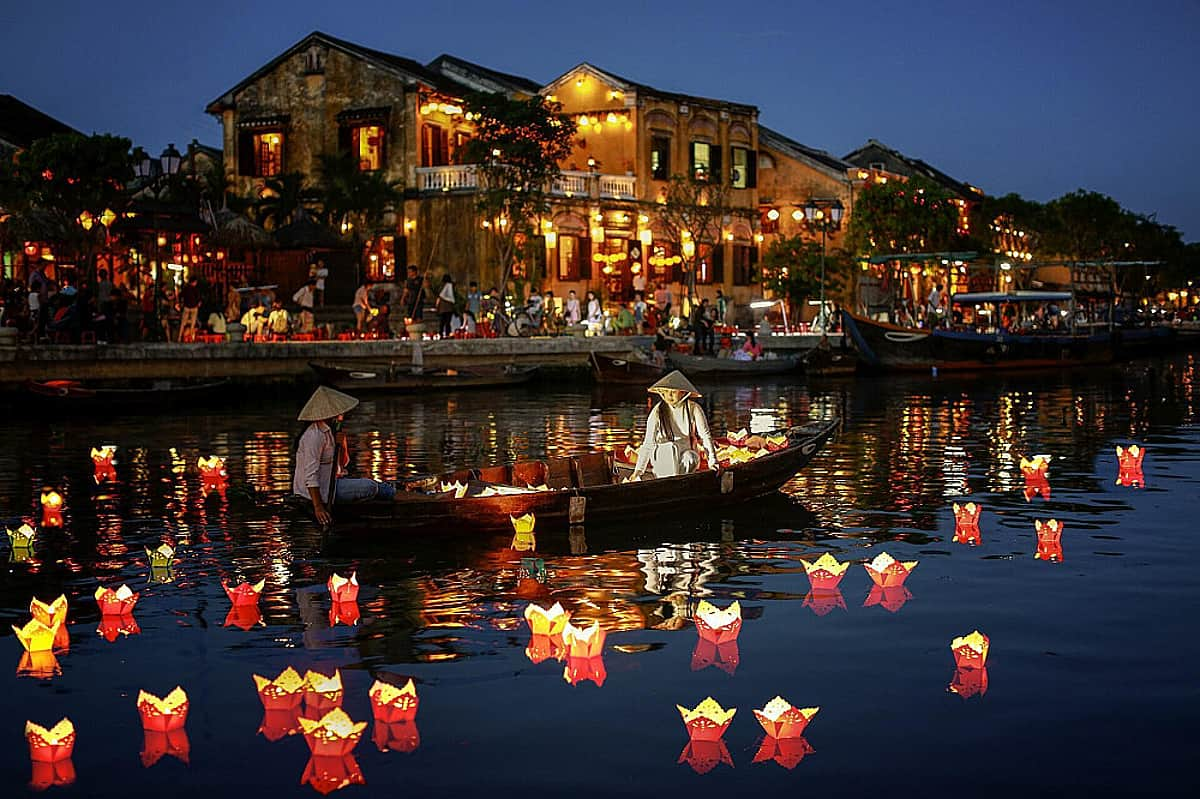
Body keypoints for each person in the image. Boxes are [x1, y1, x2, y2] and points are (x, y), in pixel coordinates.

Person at [293, 386, 396, 525]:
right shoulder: (314, 435)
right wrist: (318, 507)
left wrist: (341, 444)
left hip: (332, 483)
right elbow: (310, 475)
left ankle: (389, 489)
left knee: (375, 486)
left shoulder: (332, 431)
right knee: (370, 486)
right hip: (319, 491)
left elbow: (343, 463)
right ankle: (391, 492)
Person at [630, 371, 719, 480]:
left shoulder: (694, 408)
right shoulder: (657, 412)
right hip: (663, 458)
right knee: (671, 448)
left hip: (686, 457)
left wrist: (713, 461)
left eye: (673, 392)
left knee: (690, 457)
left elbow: (705, 436)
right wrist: (638, 471)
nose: (669, 395)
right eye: (666, 392)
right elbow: (648, 444)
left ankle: (681, 483)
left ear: (683, 392)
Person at [179, 276, 202, 342]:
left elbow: (181, 296)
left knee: (183, 323)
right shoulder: (196, 289)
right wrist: (198, 303)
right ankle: (192, 338)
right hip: (194, 307)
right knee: (193, 323)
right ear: (194, 282)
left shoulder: (185, 288)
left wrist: (181, 303)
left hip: (186, 307)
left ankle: (179, 337)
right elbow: (199, 298)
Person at [435, 273, 456, 338]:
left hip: (444, 307)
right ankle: (446, 333)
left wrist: (437, 305)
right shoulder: (448, 285)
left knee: (443, 321)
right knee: (446, 321)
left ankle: (443, 333)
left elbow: (440, 297)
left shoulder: (445, 286)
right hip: (447, 307)